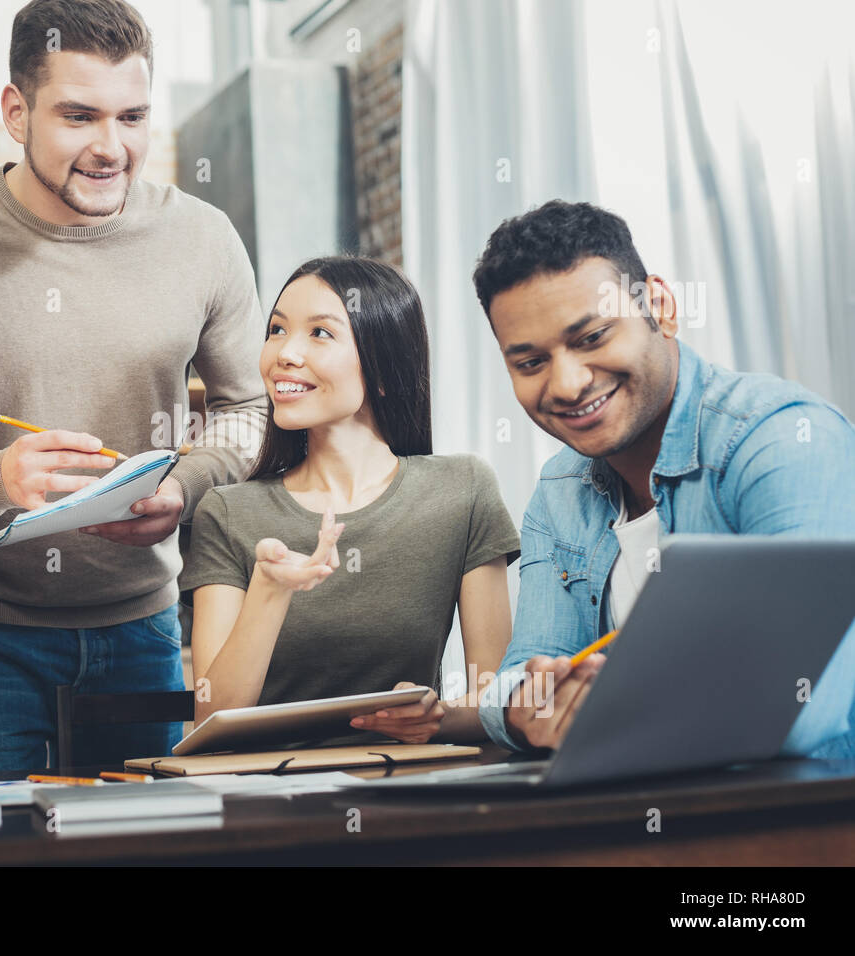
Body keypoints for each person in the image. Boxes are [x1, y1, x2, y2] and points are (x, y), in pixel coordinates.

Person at [0, 0, 267, 774]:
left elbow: (247, 410)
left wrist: (185, 485)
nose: (111, 148)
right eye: (79, 117)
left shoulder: (203, 238)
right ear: (15, 113)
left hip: (143, 626)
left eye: (133, 117)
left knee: (145, 853)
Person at [472, 199, 855, 758]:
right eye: (531, 363)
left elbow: (800, 712)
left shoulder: (783, 442)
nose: (568, 383)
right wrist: (526, 712)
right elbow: (521, 674)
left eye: (593, 337)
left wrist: (609, 709)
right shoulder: (559, 491)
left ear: (660, 307)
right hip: (635, 815)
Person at [180, 257, 521, 743]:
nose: (284, 354)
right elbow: (212, 720)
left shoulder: (463, 491)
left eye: (320, 333)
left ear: (383, 368)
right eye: (276, 330)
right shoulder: (229, 511)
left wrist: (438, 714)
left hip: (411, 790)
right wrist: (270, 590)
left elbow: (493, 696)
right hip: (275, 795)